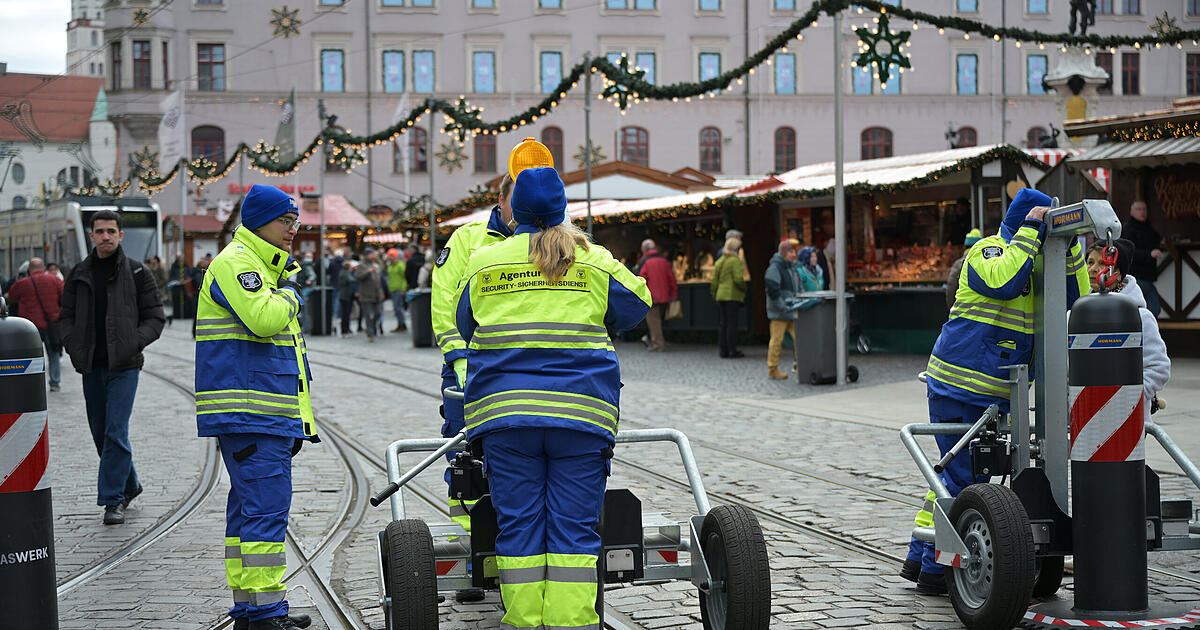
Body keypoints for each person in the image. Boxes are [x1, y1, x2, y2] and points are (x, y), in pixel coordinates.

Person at [454, 166, 651, 630]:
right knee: (574, 531)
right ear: (563, 210)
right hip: (581, 417)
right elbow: (638, 304)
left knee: (519, 526)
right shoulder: (593, 259)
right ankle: (571, 624)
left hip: (507, 418)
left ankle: (523, 622)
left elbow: (465, 324)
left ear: (514, 211)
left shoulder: (484, 262)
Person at [901, 188, 1090, 594]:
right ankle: (935, 574)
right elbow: (1004, 283)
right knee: (964, 480)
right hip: (958, 387)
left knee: (960, 477)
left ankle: (920, 561)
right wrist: (1031, 231)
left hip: (997, 396)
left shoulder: (1036, 261)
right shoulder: (988, 251)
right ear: (1025, 224)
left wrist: (1070, 244)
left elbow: (1077, 298)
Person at [431, 138, 551, 604]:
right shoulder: (467, 241)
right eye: (516, 198)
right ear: (501, 200)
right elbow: (445, 303)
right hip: (472, 371)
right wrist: (460, 360)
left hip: (530, 371)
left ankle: (532, 555)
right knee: (465, 461)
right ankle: (471, 555)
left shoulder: (555, 238)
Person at [194, 185, 317, 630]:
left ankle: (249, 607)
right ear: (259, 221)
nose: (293, 229)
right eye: (286, 221)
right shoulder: (238, 263)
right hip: (251, 413)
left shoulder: (262, 266)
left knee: (248, 512)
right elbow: (265, 320)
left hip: (261, 413)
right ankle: (267, 612)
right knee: (266, 512)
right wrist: (292, 293)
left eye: (295, 221)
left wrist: (297, 422)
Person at [60, 210, 165, 525]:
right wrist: (73, 346)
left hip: (125, 365)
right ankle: (129, 484)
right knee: (100, 433)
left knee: (115, 430)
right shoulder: (78, 273)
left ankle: (113, 499)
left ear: (121, 235)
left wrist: (134, 342)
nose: (105, 236)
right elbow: (66, 317)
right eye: (100, 231)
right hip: (92, 366)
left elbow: (155, 317)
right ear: (91, 235)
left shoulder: (137, 272)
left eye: (111, 231)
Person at [1085, 239, 1170, 424]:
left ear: (1118, 273)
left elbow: (1159, 367)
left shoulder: (1141, 318)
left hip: (1129, 423)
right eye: (1090, 262)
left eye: (1102, 263)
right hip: (1087, 420)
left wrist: (1128, 399)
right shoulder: (1075, 317)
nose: (1093, 269)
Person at [5, 258, 65, 391]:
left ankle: (28, 383)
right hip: (51, 325)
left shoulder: (22, 283)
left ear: (29, 270)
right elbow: (64, 299)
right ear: (43, 268)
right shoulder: (55, 280)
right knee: (54, 353)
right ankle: (55, 382)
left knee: (28, 355)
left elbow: (11, 297)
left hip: (29, 326)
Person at [764, 240, 802, 380]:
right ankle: (772, 369)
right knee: (776, 341)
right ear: (784, 253)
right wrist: (782, 306)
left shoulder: (791, 267)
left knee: (800, 339)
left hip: (791, 309)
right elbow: (772, 290)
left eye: (794, 251)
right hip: (780, 311)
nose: (794, 254)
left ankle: (800, 365)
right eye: (791, 252)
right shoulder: (775, 268)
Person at [1123, 200, 1166, 317]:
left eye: (1144, 209)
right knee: (1151, 308)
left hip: (1147, 276)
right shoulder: (1128, 229)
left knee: (1153, 309)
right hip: (1135, 276)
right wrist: (1149, 254)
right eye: (1139, 209)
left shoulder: (1147, 227)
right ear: (1132, 211)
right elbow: (1129, 253)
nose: (1142, 212)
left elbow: (1157, 241)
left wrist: (1160, 244)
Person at [635, 239, 677, 352]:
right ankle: (658, 342)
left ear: (645, 249)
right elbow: (672, 279)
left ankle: (658, 344)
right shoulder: (664, 261)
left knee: (654, 323)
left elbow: (641, 279)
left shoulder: (645, 261)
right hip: (665, 296)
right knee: (660, 321)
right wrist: (673, 294)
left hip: (651, 297)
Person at [710, 236, 746, 358]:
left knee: (723, 323)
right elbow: (738, 279)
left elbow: (714, 281)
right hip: (732, 295)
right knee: (732, 324)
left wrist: (714, 293)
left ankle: (723, 350)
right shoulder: (734, 261)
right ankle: (732, 349)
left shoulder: (720, 260)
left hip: (720, 295)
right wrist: (744, 289)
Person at [945, 228, 982, 310]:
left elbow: (951, 288)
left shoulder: (959, 264)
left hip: (963, 310)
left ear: (965, 247)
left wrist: (952, 308)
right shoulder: (986, 263)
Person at [355, 248, 384, 342]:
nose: (373, 256)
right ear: (366, 255)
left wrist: (381, 292)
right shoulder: (362, 266)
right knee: (368, 315)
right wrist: (368, 272)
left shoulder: (375, 264)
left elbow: (378, 280)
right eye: (371, 254)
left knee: (378, 313)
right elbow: (358, 277)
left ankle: (371, 328)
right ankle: (370, 334)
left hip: (376, 294)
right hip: (366, 294)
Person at [386, 248, 408, 332]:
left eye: (392, 256)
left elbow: (404, 277)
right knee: (396, 308)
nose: (390, 257)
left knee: (398, 308)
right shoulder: (390, 266)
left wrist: (403, 289)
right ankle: (400, 324)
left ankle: (402, 324)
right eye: (389, 256)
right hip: (392, 289)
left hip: (399, 289)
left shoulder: (400, 265)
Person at [336, 260, 355, 337]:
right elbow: (351, 280)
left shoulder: (343, 272)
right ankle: (345, 331)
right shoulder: (345, 273)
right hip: (345, 296)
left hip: (344, 295)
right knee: (346, 314)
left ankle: (346, 330)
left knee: (345, 313)